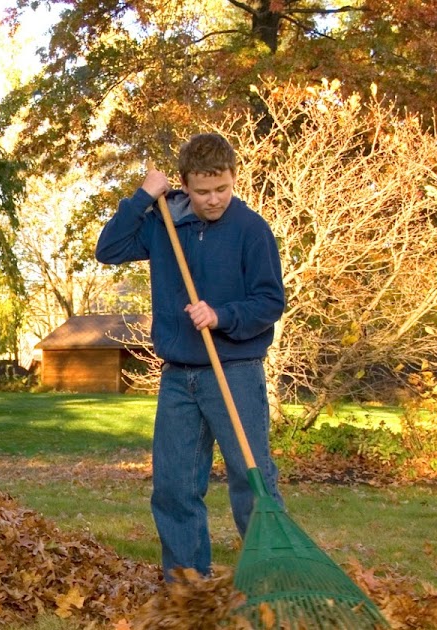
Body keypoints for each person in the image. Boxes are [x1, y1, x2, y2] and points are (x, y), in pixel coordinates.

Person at [94, 132, 286, 580]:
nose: (214, 199)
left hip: (234, 372)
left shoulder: (251, 230)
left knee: (250, 481)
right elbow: (109, 250)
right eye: (202, 192)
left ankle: (272, 576)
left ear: (233, 178)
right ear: (183, 185)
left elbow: (269, 301)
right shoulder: (164, 221)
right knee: (174, 486)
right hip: (179, 375)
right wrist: (143, 196)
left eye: (222, 188)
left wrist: (222, 315)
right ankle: (186, 583)